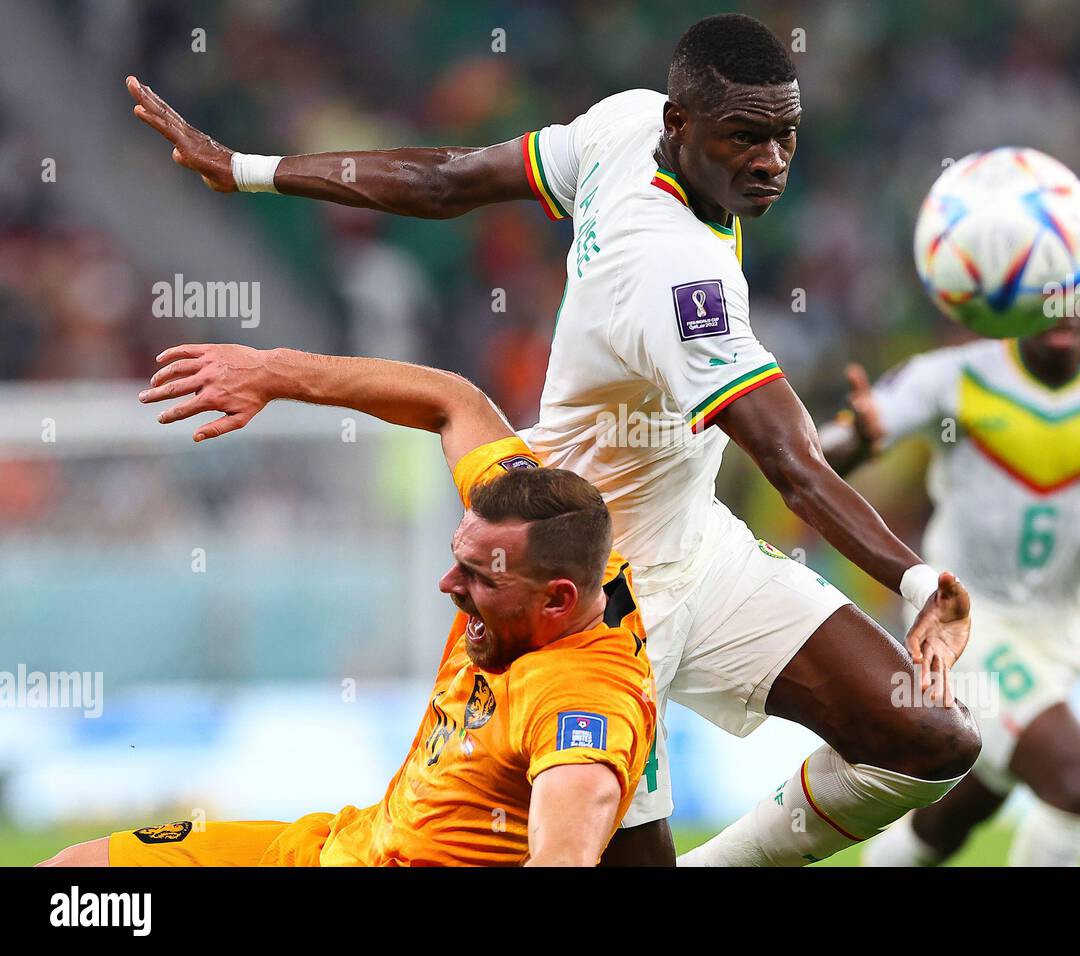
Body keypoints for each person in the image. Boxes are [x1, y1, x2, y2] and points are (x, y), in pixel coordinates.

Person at [124, 13, 980, 867]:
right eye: (744, 137)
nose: (770, 161)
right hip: (593, 594)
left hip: (700, 550)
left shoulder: (625, 127)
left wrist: (250, 170)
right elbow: (792, 467)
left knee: (933, 739)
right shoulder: (678, 279)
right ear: (679, 127)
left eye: (785, 136)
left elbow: (449, 181)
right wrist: (914, 581)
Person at [39, 346, 655, 867]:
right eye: (458, 558)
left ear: (558, 600)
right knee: (78, 876)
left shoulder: (582, 700)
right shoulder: (553, 535)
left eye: (478, 577)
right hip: (343, 841)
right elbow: (453, 401)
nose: (448, 585)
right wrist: (274, 372)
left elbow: (565, 849)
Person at [817, 316, 1080, 866]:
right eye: (1043, 294)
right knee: (1076, 787)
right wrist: (855, 435)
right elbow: (815, 459)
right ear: (1005, 292)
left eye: (1073, 288)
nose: (1061, 309)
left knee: (951, 819)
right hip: (964, 622)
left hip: (1059, 635)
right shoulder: (953, 377)